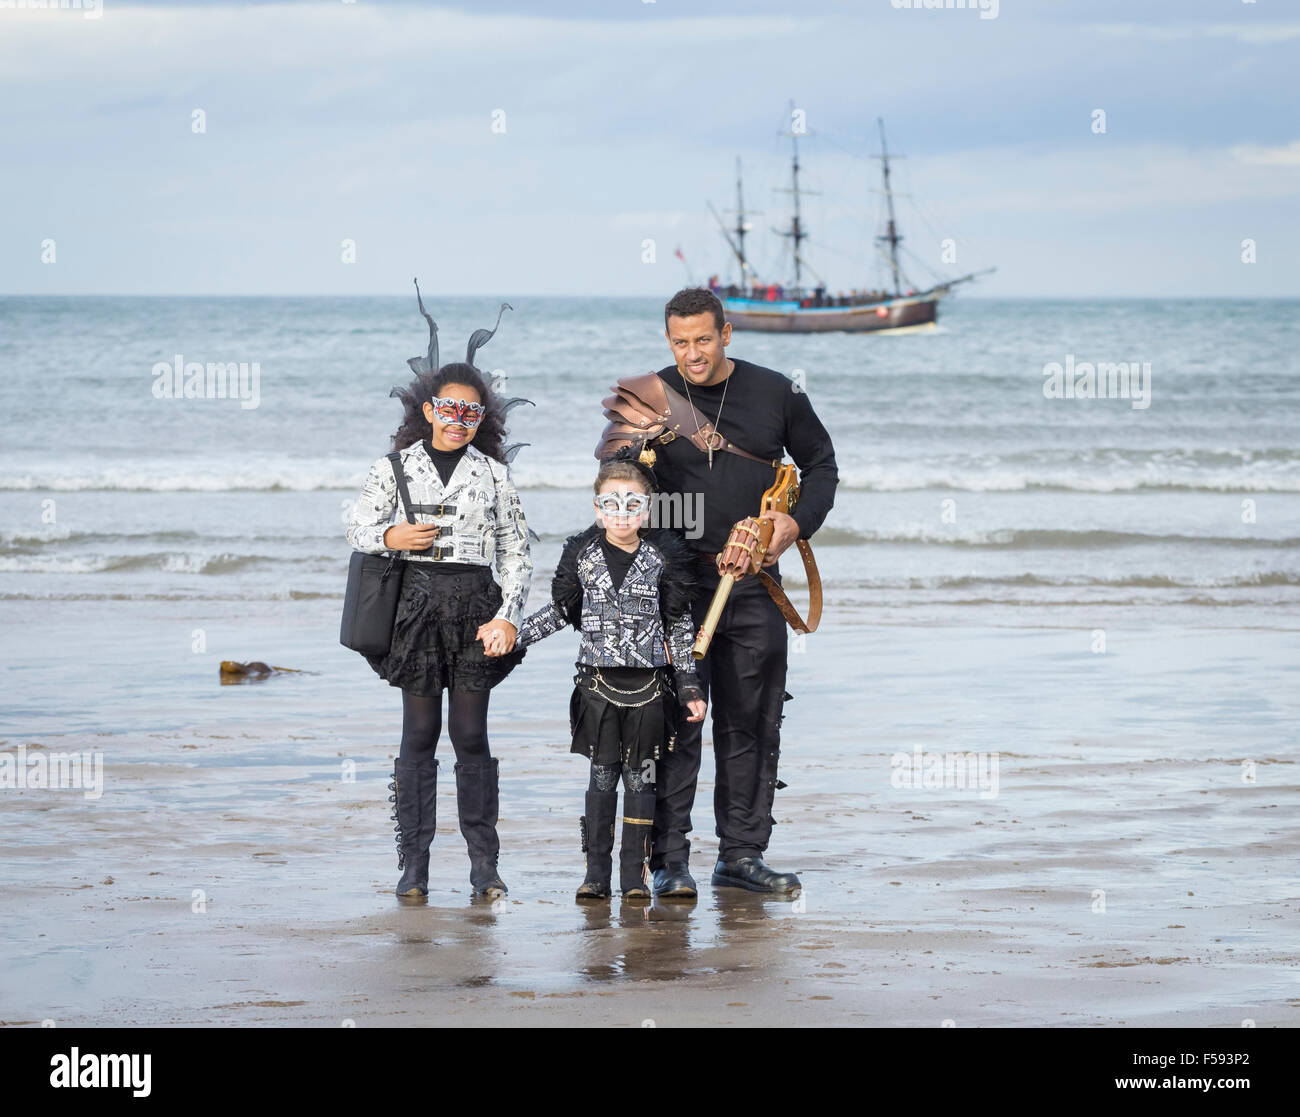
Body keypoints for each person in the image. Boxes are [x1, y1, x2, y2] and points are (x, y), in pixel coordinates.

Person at [594, 286, 838, 897]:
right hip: (674, 589)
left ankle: (742, 855)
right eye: (680, 342)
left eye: (704, 339)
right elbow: (613, 486)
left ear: (726, 334)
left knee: (753, 721)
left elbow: (823, 464)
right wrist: (633, 458)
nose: (693, 354)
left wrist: (793, 523)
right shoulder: (646, 397)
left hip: (755, 583)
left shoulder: (778, 391)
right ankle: (669, 861)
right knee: (676, 721)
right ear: (668, 340)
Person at [346, 286, 533, 900]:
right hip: (416, 608)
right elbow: (356, 527)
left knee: (472, 737)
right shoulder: (392, 468)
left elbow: (516, 550)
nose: (459, 420)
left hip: (478, 610)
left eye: (471, 413)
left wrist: (509, 616)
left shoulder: (496, 475)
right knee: (417, 738)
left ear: (483, 418)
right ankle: (414, 866)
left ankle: (485, 865)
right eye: (449, 410)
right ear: (428, 410)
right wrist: (391, 535)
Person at [506, 456, 707, 900]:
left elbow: (677, 625)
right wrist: (515, 639)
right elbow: (560, 613)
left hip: (650, 690)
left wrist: (690, 685)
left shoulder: (662, 559)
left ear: (648, 510)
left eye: (632, 504)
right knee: (601, 778)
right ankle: (595, 875)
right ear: (597, 508)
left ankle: (632, 878)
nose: (621, 513)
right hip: (597, 687)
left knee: (641, 779)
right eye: (611, 504)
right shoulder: (583, 555)